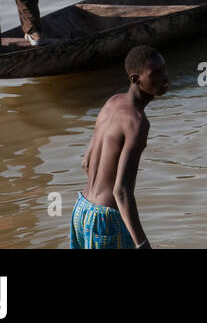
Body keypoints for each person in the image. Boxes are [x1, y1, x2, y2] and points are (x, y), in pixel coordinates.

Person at [71, 45, 170, 249]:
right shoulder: (137, 122)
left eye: (164, 69)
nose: (165, 77)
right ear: (136, 79)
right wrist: (142, 243)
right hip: (106, 220)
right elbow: (121, 191)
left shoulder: (112, 102)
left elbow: (86, 162)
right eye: (156, 73)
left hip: (81, 209)